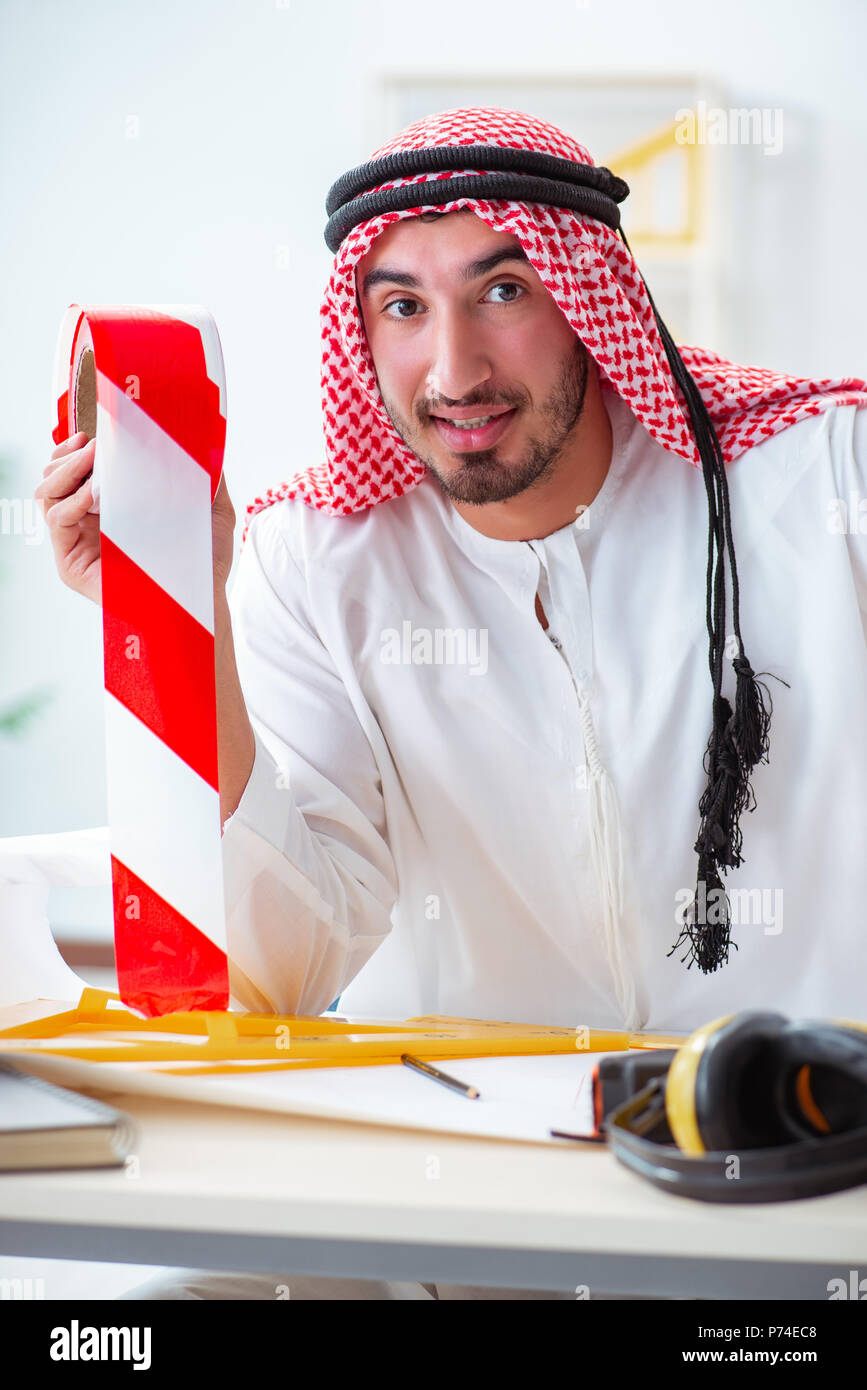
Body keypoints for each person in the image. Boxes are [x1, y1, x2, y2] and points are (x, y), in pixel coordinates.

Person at [36, 107, 867, 1300]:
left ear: (592, 296)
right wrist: (181, 611)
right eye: (403, 306)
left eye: (506, 290)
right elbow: (283, 966)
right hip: (467, 1226)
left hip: (804, 1201)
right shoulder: (311, 562)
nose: (457, 370)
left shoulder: (825, 477)